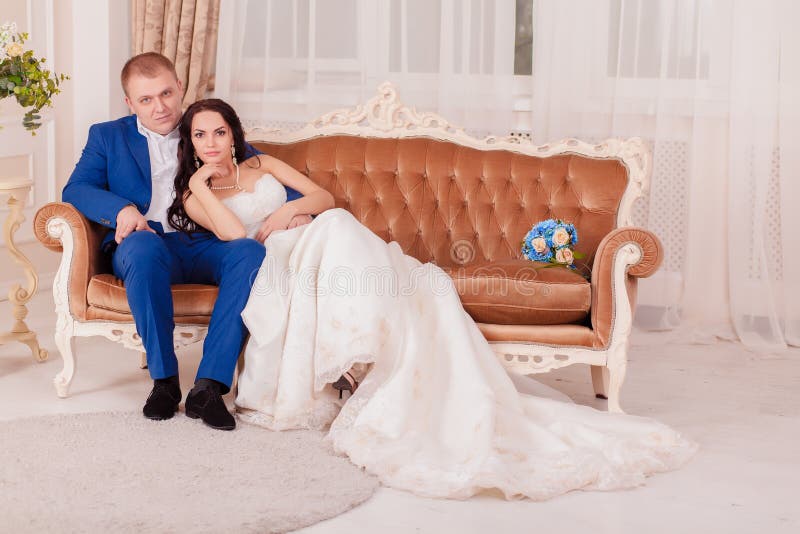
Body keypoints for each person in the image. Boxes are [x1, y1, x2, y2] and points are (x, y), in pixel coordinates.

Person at [171, 98, 697, 500]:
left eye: (219, 131)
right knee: (333, 234)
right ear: (191, 142)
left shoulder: (264, 167)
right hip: (276, 260)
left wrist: (285, 213)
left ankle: (365, 350)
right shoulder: (196, 196)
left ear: (233, 134)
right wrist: (203, 184)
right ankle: (361, 358)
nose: (212, 141)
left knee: (334, 222)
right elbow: (234, 239)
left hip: (306, 234)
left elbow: (322, 197)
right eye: (201, 135)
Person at [62, 53, 308, 431]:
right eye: (145, 99)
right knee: (142, 250)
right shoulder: (107, 136)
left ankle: (209, 387)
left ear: (180, 87)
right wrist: (122, 209)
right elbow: (76, 188)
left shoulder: (203, 128)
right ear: (129, 102)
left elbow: (257, 173)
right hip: (146, 241)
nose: (159, 107)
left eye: (165, 93)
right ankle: (164, 383)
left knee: (248, 251)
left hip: (205, 242)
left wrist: (295, 210)